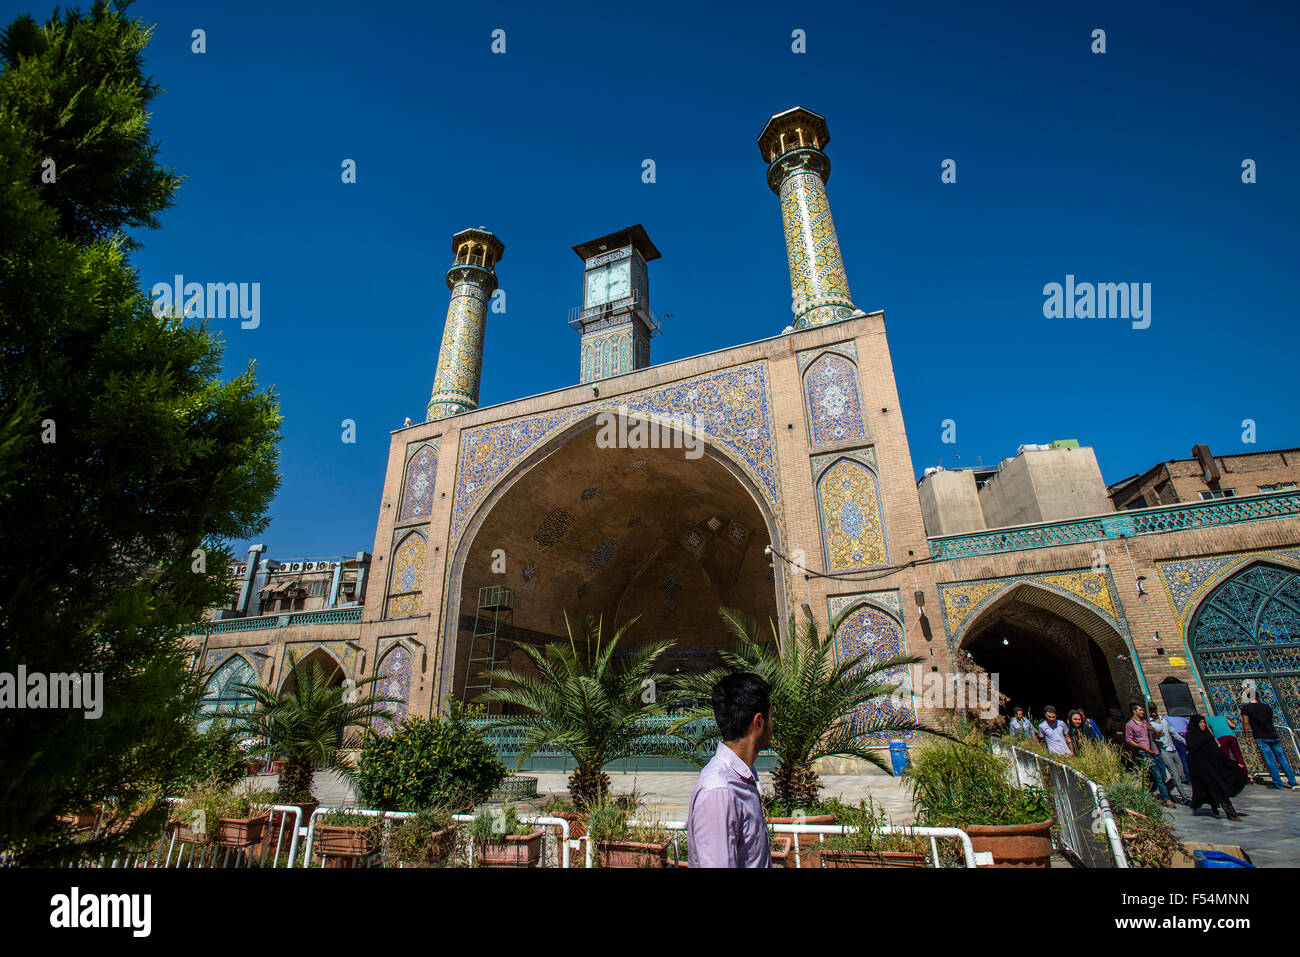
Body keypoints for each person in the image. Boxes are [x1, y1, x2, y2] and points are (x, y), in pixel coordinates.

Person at [687, 672, 774, 868]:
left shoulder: (743, 777)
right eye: (771, 717)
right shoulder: (720, 791)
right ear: (758, 722)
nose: (773, 725)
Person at [1185, 713, 1247, 820]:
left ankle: (1214, 805)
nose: (1203, 724)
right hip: (1203, 769)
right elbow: (1193, 750)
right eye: (1201, 722)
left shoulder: (1208, 735)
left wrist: (1233, 763)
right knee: (1218, 790)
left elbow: (1218, 752)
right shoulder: (1191, 736)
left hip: (1215, 767)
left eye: (1204, 722)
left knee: (1215, 788)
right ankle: (1231, 814)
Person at [1240, 686, 1299, 790]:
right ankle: (1293, 782)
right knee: (1282, 759)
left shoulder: (1246, 708)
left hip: (1261, 737)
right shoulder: (1267, 707)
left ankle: (1278, 783)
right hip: (1273, 735)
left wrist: (1247, 736)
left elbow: (1245, 722)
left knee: (1270, 760)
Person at [1125, 703, 1175, 808]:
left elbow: (1154, 736)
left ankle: (1150, 792)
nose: (1142, 712)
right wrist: (1142, 748)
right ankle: (1166, 798)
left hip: (1155, 751)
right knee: (1157, 775)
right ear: (1134, 711)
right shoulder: (1130, 725)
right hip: (1145, 753)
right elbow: (1129, 740)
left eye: (1143, 710)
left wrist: (1155, 732)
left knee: (1163, 774)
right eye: (1140, 710)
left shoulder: (1145, 723)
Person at [1147, 703, 1190, 802]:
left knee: (1180, 772)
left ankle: (1165, 791)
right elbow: (1152, 738)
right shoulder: (1150, 724)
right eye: (1150, 710)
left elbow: (1174, 733)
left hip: (1173, 748)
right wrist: (1156, 734)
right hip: (1164, 751)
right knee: (1174, 773)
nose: (1153, 712)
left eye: (1154, 709)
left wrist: (1185, 742)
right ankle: (1184, 797)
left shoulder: (1164, 721)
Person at [1164, 712, 1193, 782]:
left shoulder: (1165, 718)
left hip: (1177, 737)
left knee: (1183, 758)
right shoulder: (1183, 719)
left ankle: (1188, 778)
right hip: (1186, 736)